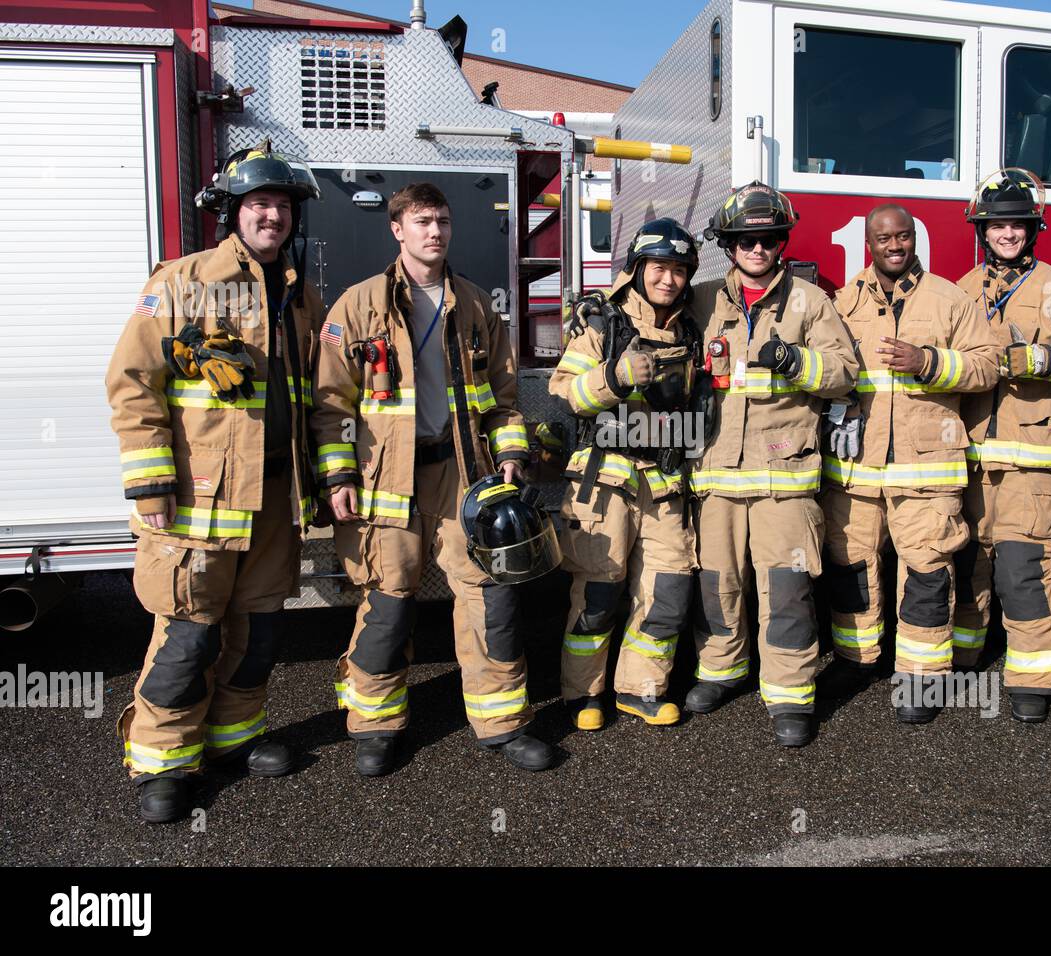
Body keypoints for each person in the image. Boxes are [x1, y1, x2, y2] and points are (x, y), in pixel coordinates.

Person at [106, 140, 324, 822]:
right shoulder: (180, 281)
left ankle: (235, 738)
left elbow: (317, 395)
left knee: (257, 634)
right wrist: (150, 481)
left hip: (270, 504)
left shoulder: (300, 296)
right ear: (234, 212)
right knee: (187, 634)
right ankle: (163, 762)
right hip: (199, 504)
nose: (272, 217)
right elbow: (132, 382)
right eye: (259, 204)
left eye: (282, 206)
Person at [311, 182, 554, 774]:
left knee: (489, 594)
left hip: (460, 473)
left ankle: (501, 722)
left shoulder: (473, 305)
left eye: (442, 220)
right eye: (421, 221)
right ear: (398, 229)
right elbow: (331, 405)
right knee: (388, 600)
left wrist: (511, 456)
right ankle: (373, 725)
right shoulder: (358, 305)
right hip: (384, 478)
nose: (434, 231)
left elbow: (501, 398)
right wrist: (339, 473)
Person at [687, 182, 858, 747]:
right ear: (727, 244)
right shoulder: (702, 298)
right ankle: (722, 670)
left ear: (782, 241)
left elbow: (844, 373)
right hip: (716, 475)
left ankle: (789, 694)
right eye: (745, 240)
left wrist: (795, 359)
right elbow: (648, 307)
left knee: (786, 589)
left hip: (785, 479)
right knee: (718, 585)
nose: (757, 249)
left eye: (767, 239)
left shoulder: (810, 302)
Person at [818, 204, 1000, 721]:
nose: (894, 246)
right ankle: (856, 660)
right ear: (868, 245)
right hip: (855, 470)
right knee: (850, 568)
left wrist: (929, 362)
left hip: (927, 470)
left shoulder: (951, 298)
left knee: (926, 572)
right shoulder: (843, 302)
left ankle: (922, 681)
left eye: (902, 237)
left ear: (914, 240)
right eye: (883, 239)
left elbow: (987, 365)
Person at [952, 168, 1051, 722]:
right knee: (970, 562)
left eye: (1017, 224)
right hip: (974, 458)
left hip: (1033, 460)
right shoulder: (963, 289)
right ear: (982, 229)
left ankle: (1034, 678)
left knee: (1024, 568)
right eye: (996, 224)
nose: (1007, 233)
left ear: (1032, 229)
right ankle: (965, 654)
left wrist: (1045, 360)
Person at [549, 219, 702, 730]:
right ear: (638, 268)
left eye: (681, 270)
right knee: (598, 593)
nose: (670, 279)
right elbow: (566, 392)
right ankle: (581, 693)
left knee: (666, 592)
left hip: (663, 484)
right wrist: (614, 377)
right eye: (660, 267)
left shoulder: (691, 330)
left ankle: (641, 691)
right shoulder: (601, 322)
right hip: (604, 482)